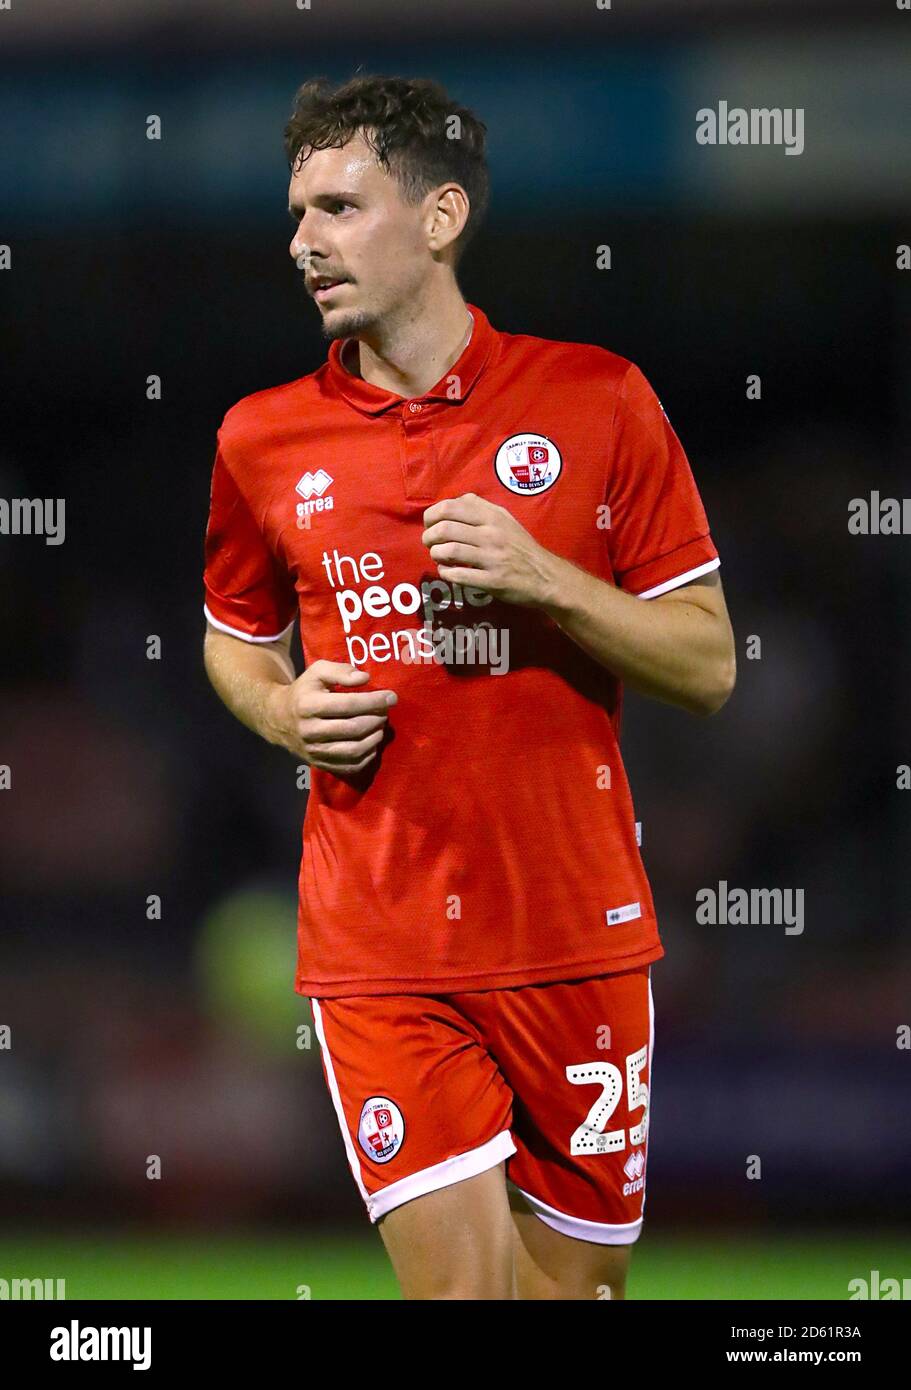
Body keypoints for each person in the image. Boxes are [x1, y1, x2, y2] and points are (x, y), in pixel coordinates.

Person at [202, 74, 736, 1300]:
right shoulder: (258, 438)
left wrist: (545, 579)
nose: (302, 243)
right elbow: (234, 636)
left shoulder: (598, 398)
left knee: (577, 1290)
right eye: (296, 214)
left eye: (338, 207)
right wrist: (280, 707)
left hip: (573, 928)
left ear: (439, 218)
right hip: (378, 936)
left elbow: (705, 662)